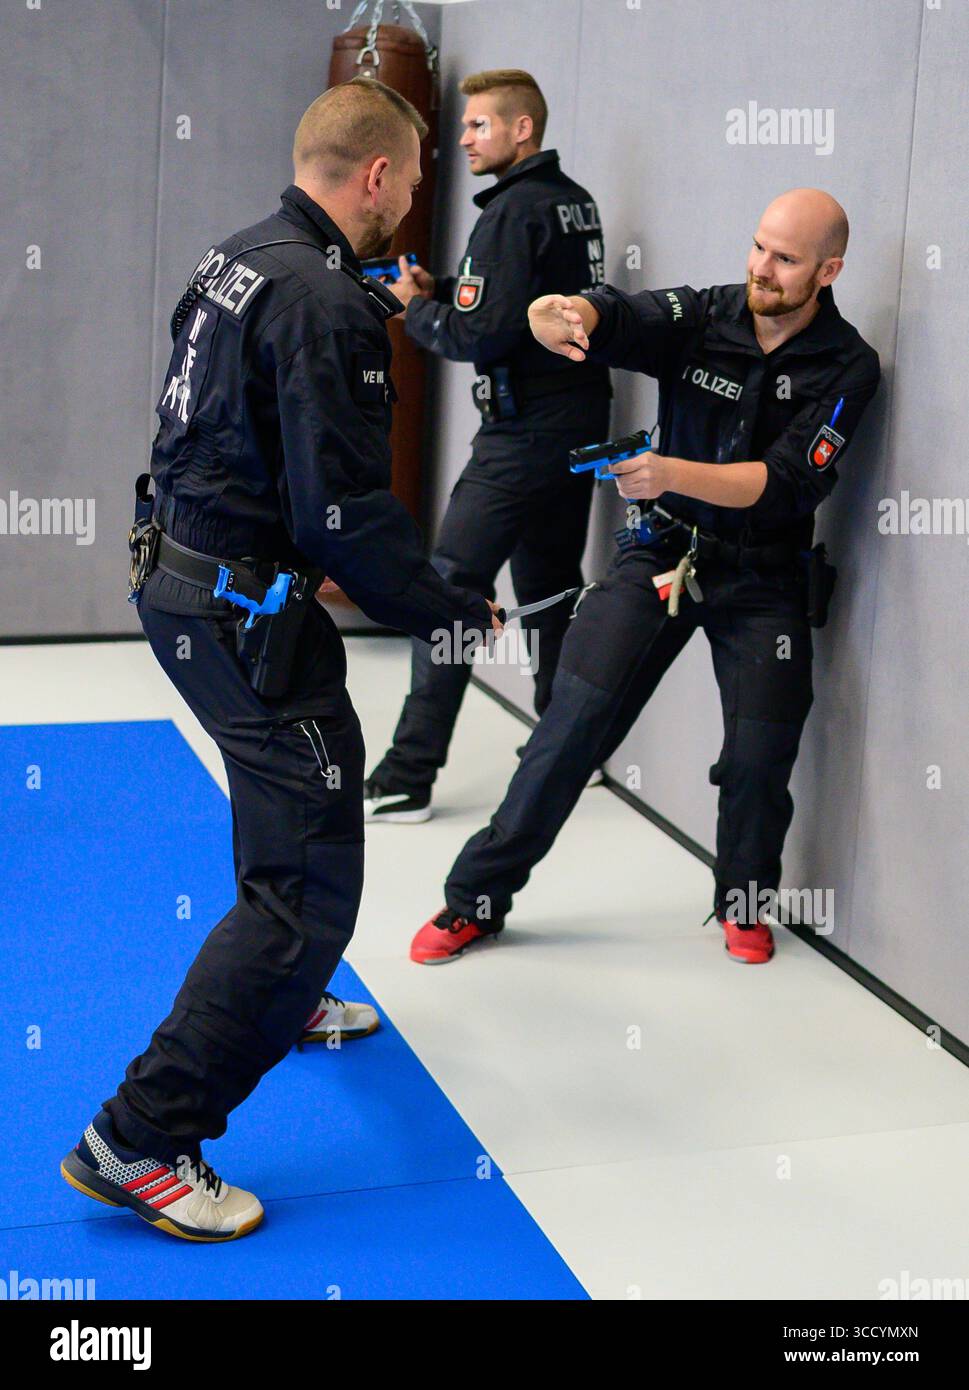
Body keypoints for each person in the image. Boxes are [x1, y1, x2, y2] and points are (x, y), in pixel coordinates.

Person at [60, 77, 501, 1242]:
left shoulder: (240, 256)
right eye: (409, 179)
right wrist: (449, 603)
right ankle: (143, 1137)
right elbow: (346, 515)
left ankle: (285, 1000)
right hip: (242, 615)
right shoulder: (327, 299)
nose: (410, 199)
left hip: (187, 583)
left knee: (302, 785)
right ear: (374, 176)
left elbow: (233, 444)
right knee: (307, 882)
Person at [409, 189, 880, 967]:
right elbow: (620, 315)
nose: (762, 267)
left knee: (759, 762)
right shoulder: (701, 315)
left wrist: (669, 473)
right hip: (660, 556)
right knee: (566, 734)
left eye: (785, 258)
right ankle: (473, 903)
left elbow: (789, 483)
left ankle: (744, 903)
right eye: (758, 246)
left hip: (764, 577)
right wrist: (566, 313)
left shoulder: (848, 367)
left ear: (827, 270)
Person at [363, 69, 611, 824]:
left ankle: (407, 775)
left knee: (449, 588)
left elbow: (483, 333)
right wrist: (443, 287)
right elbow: (514, 303)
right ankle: (570, 746)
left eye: (478, 126)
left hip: (520, 432)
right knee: (547, 587)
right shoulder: (573, 203)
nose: (463, 139)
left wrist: (415, 311)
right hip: (576, 422)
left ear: (521, 131)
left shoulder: (510, 214)